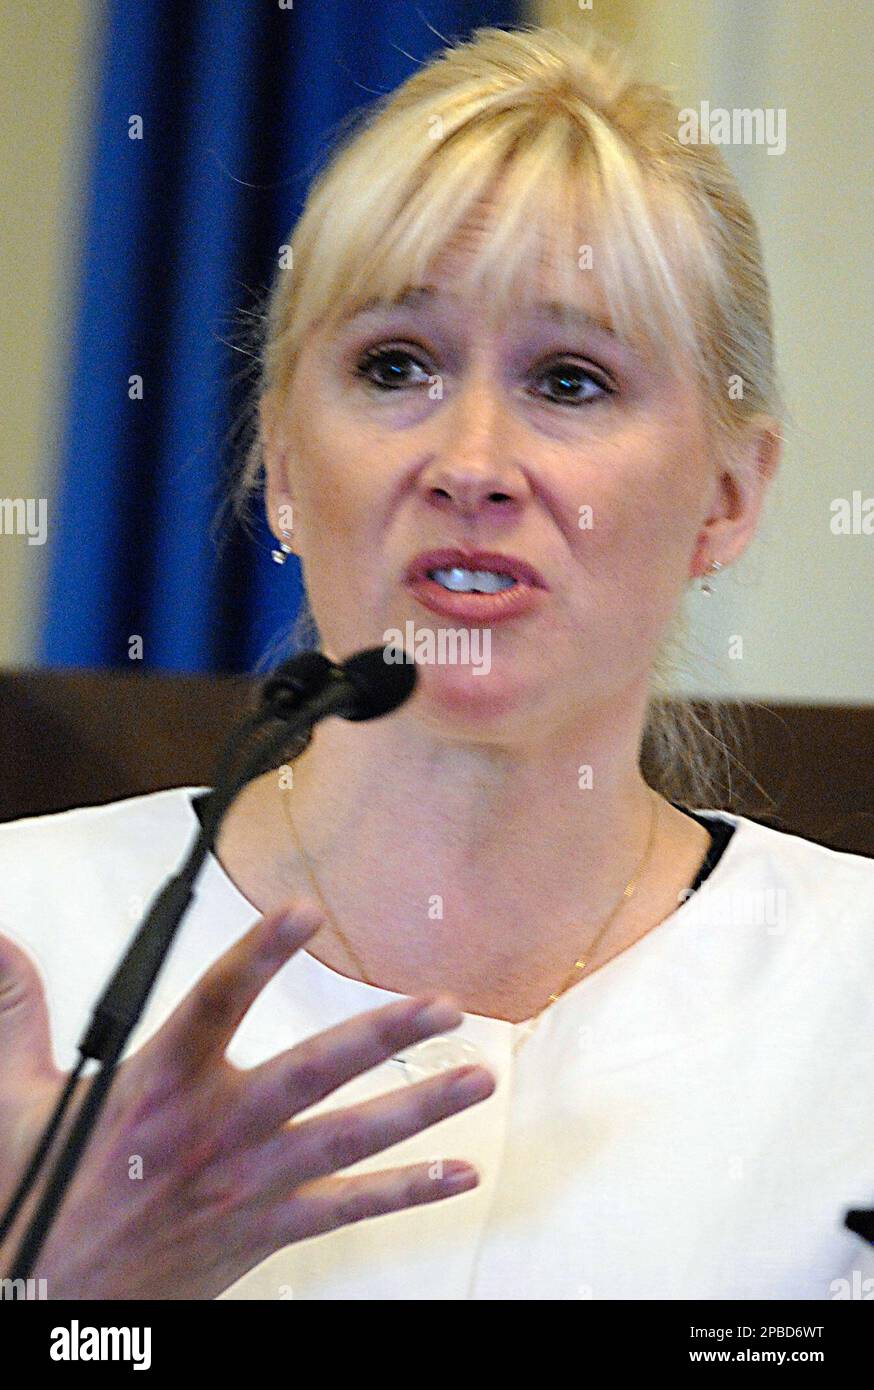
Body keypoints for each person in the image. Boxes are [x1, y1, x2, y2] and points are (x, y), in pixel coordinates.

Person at [1, 23, 872, 1301]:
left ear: (727, 497)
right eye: (394, 365)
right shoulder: (25, 940)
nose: (470, 461)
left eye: (570, 380)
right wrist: (64, 1298)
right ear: (286, 467)